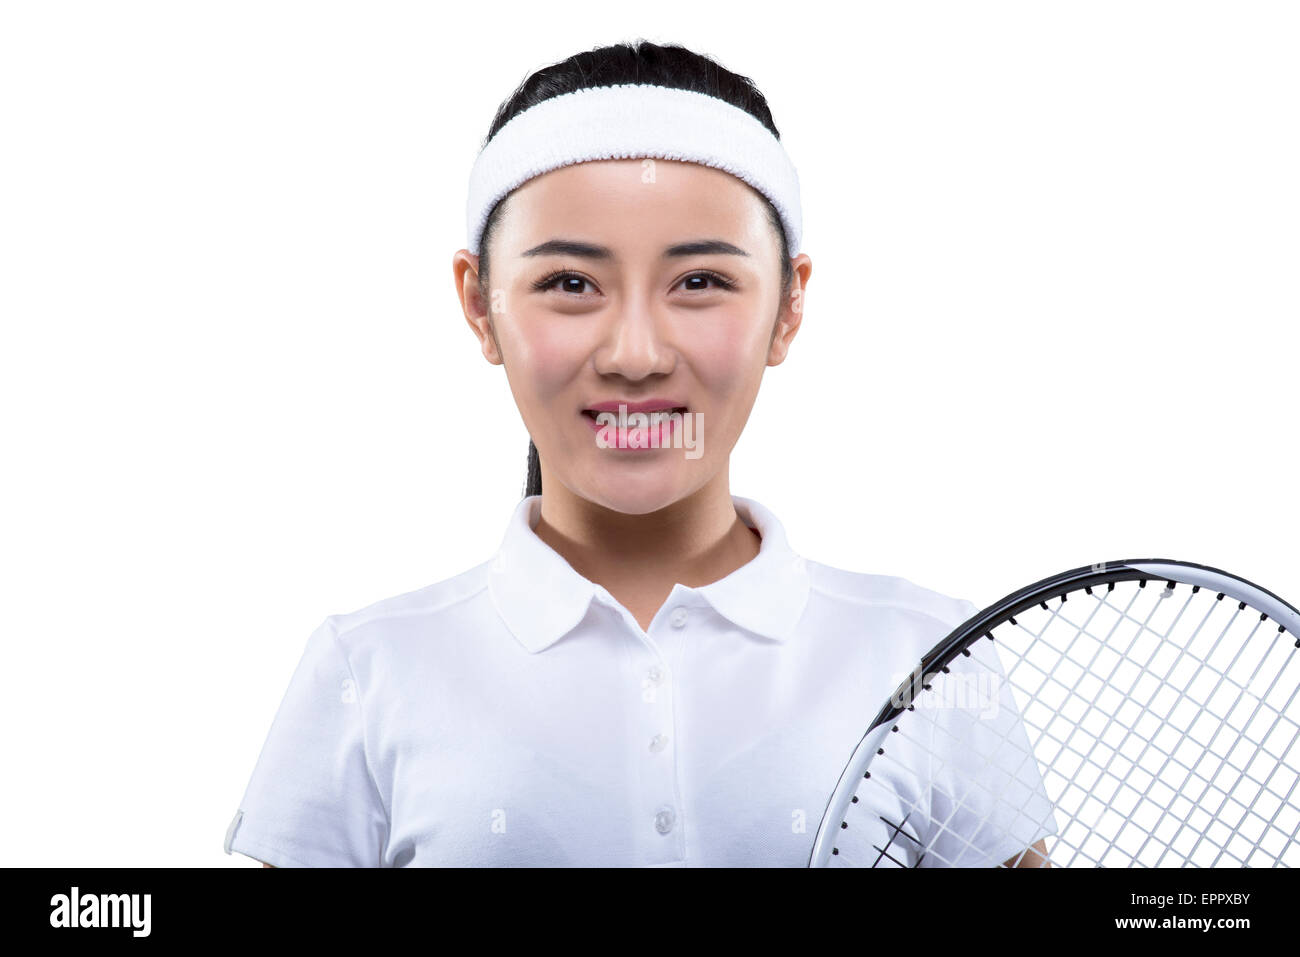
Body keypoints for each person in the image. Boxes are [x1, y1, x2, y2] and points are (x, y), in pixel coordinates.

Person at [223, 39, 1052, 868]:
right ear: (480, 304)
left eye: (699, 282)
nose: (635, 353)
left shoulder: (925, 655)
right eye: (571, 284)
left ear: (789, 308)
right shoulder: (367, 672)